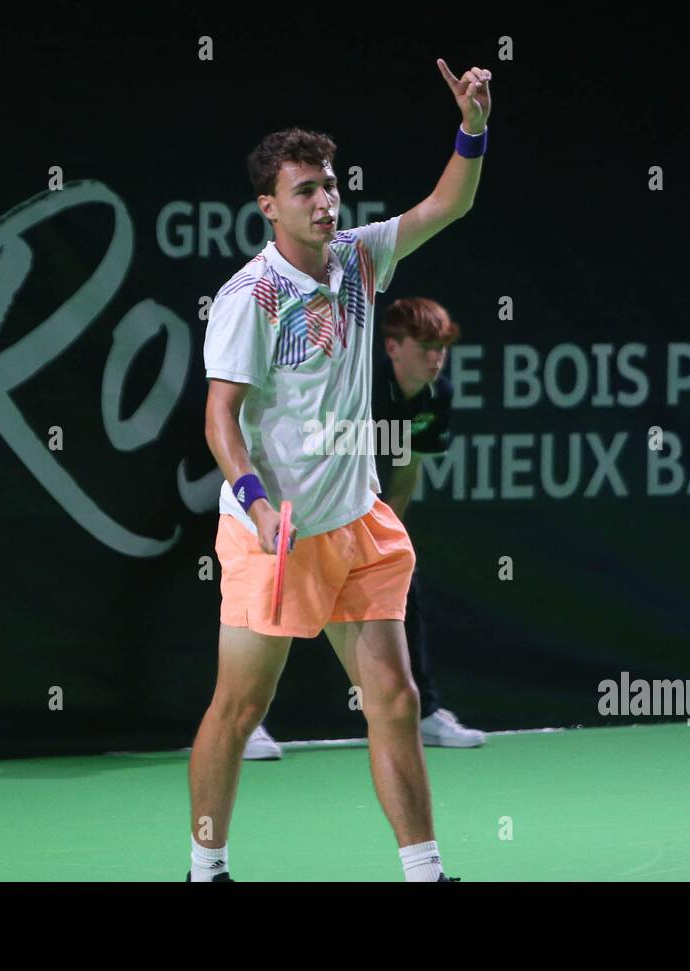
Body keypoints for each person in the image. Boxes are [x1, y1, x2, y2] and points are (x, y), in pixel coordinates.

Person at [188, 59, 493, 882]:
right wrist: (253, 504)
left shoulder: (360, 259)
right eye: (305, 191)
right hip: (272, 531)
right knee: (239, 709)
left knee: (394, 698)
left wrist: (471, 125)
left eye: (329, 186)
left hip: (354, 522)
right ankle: (204, 866)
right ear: (268, 207)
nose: (325, 201)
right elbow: (221, 418)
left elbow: (449, 202)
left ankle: (424, 872)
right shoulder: (249, 298)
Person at [243, 298, 485, 761]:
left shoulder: (438, 396)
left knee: (403, 589)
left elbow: (408, 466)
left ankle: (424, 713)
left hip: (360, 512)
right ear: (392, 347)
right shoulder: (358, 387)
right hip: (298, 502)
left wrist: (383, 532)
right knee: (273, 602)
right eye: (426, 347)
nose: (436, 357)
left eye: (443, 348)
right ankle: (249, 721)